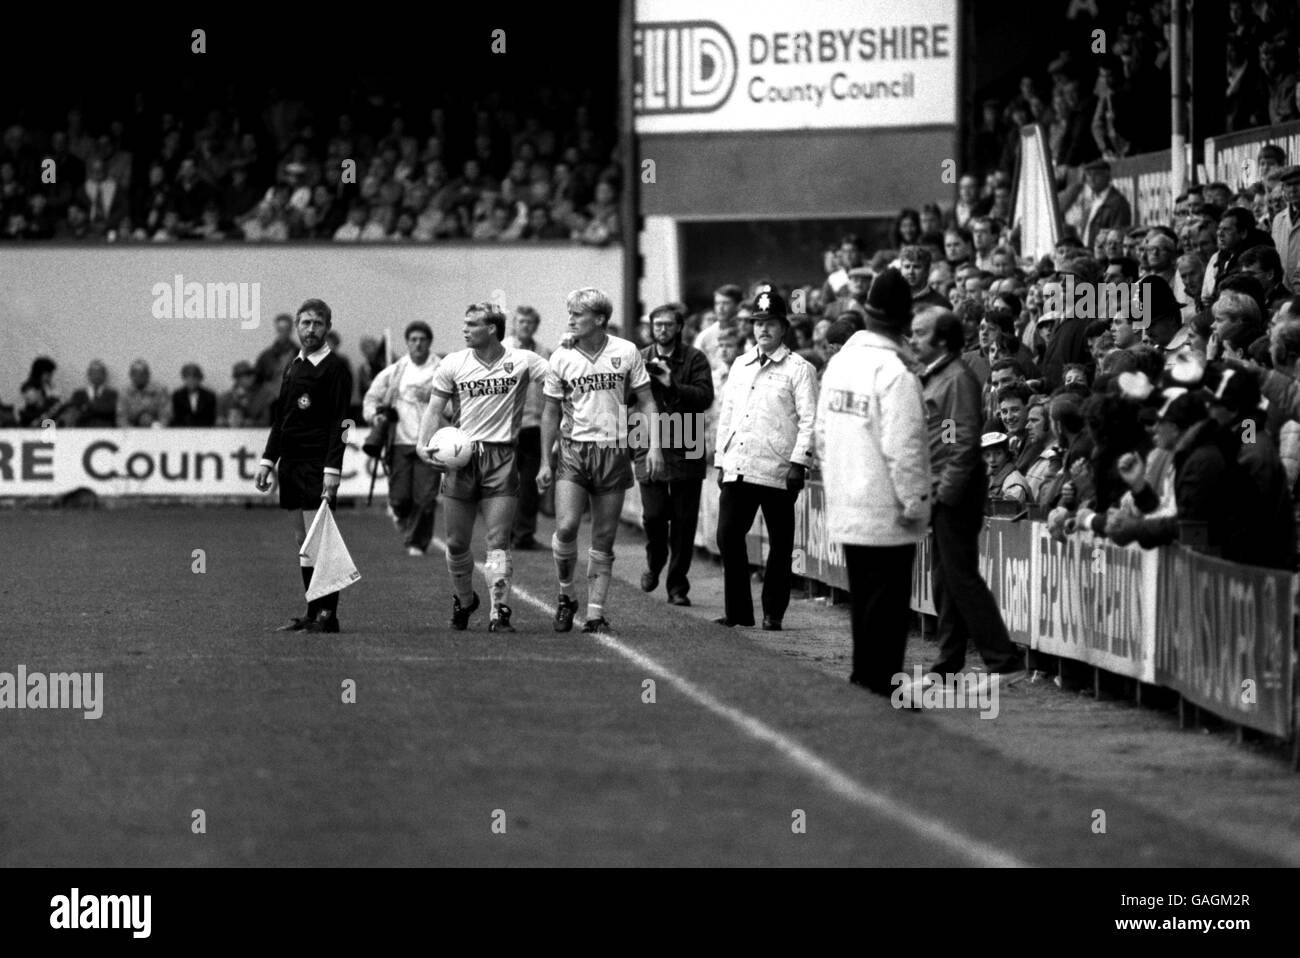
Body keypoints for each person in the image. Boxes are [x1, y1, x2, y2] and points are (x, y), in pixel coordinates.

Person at [816, 270, 931, 697]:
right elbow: (905, 448)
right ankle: (882, 680)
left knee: (863, 594)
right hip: (886, 504)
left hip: (849, 498)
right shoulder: (895, 373)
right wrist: (916, 501)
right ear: (905, 319)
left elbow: (822, 437)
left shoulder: (840, 364)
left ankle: (864, 673)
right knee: (888, 600)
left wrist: (839, 486)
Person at [537, 287, 664, 635]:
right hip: (574, 449)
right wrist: (544, 463)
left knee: (604, 536)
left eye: (577, 314)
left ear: (600, 319)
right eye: (570, 314)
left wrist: (653, 447)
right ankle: (566, 596)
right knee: (565, 528)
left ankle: (595, 612)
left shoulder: (626, 351)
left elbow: (647, 401)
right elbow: (550, 411)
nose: (571, 320)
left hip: (614, 449)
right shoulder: (561, 357)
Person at [416, 304, 550, 632]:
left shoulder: (522, 360)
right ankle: (465, 600)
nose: (464, 330)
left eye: (472, 324)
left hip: (502, 458)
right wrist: (423, 444)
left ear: (492, 328)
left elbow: (562, 378)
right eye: (465, 324)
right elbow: (434, 410)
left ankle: (499, 611)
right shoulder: (453, 363)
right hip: (461, 461)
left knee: (498, 539)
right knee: (457, 542)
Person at [911, 306, 1027, 680]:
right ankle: (949, 662)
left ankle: (1002, 659)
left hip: (955, 489)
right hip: (946, 485)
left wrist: (944, 491)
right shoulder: (941, 378)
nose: (912, 340)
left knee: (959, 576)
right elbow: (948, 435)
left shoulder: (956, 379)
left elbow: (960, 444)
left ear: (941, 340)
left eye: (919, 332)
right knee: (946, 578)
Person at [714, 287, 818, 630]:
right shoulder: (740, 365)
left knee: (780, 542)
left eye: (771, 323)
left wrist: (799, 462)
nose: (764, 330)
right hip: (740, 465)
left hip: (779, 468)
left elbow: (809, 419)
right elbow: (726, 414)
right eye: (758, 323)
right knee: (728, 536)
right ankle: (738, 612)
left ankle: (774, 612)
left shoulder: (799, 368)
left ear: (783, 327)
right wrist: (720, 459)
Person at [254, 299, 355, 633]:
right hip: (291, 464)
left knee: (319, 540)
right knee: (303, 540)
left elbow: (343, 422)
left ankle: (329, 615)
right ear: (297, 326)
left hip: (317, 463)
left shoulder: (337, 367)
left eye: (318, 324)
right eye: (306, 323)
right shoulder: (292, 364)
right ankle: (312, 612)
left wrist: (332, 469)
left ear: (328, 327)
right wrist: (269, 460)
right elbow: (282, 417)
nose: (311, 330)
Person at [634, 304, 714, 606]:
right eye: (658, 325)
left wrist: (672, 383)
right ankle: (656, 560)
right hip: (646, 436)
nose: (663, 330)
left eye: (668, 325)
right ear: (651, 328)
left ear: (679, 327)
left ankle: (677, 585)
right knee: (654, 515)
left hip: (687, 436)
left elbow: (705, 398)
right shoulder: (639, 357)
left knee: (683, 521)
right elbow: (624, 397)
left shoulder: (695, 358)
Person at [365, 321, 442, 557]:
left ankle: (417, 543)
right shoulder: (395, 371)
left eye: (422, 339)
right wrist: (375, 417)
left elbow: (458, 403)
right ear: (407, 342)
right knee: (400, 498)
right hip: (399, 442)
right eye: (413, 339)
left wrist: (433, 396)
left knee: (426, 498)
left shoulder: (442, 369)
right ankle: (399, 514)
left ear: (429, 342)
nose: (418, 344)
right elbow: (371, 399)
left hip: (430, 442)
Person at [505, 305, 551, 550]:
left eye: (530, 323)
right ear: (514, 323)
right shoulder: (502, 349)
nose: (526, 326)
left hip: (535, 424)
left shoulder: (544, 351)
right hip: (507, 425)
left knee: (530, 485)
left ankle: (524, 534)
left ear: (535, 326)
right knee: (506, 483)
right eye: (521, 322)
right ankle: (505, 532)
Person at [63, 360, 118, 427]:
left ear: (104, 375)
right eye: (93, 373)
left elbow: (110, 410)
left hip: (105, 429)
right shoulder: (78, 394)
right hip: (82, 430)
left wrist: (87, 407)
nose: (96, 376)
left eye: (99, 373)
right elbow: (75, 413)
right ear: (88, 375)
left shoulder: (112, 394)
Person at [117, 359, 171, 427]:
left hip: (156, 428)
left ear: (148, 375)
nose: (138, 377)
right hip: (132, 429)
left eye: (142, 374)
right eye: (135, 374)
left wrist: (159, 428)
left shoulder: (160, 390)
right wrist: (130, 431)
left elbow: (165, 414)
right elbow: (121, 416)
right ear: (130, 375)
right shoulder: (125, 392)